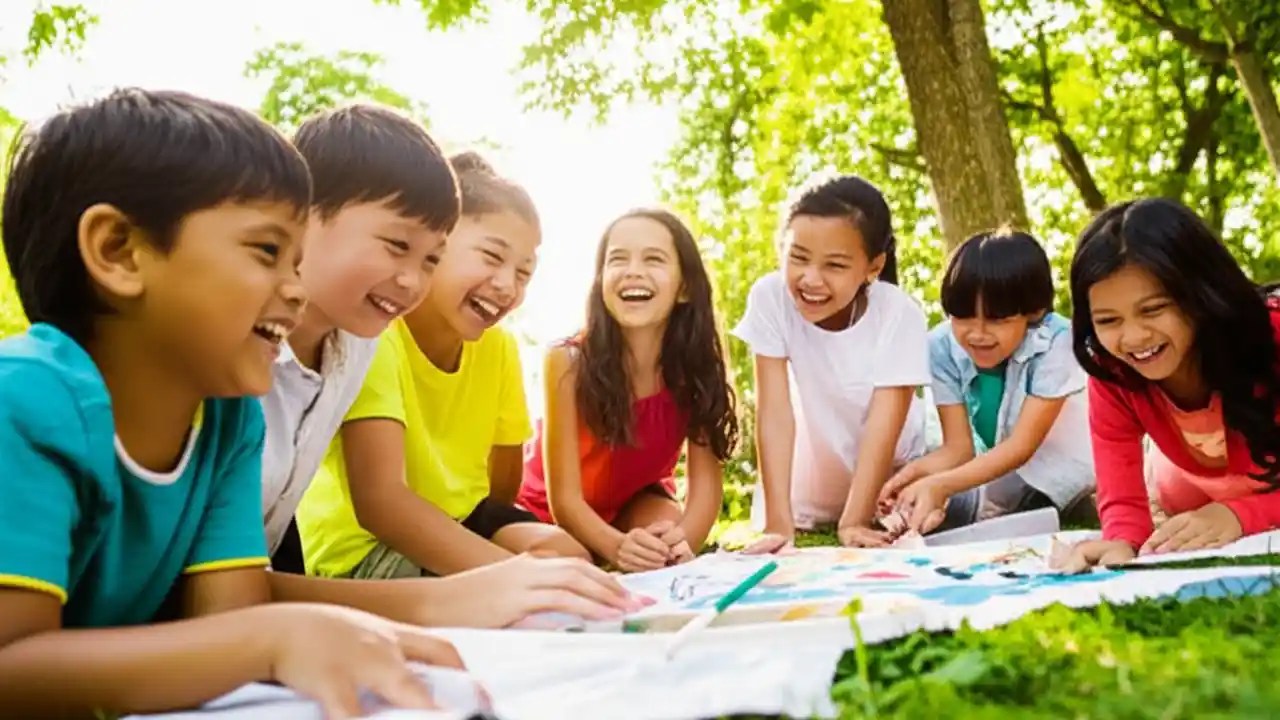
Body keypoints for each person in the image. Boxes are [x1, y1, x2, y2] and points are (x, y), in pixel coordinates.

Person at [0, 88, 461, 719]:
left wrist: (297, 637)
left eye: (299, 262)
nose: (296, 290)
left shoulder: (229, 420)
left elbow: (228, 620)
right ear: (118, 250)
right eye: (268, 252)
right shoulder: (26, 401)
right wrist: (272, 640)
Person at [261, 105, 637, 625]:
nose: (411, 279)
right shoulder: (352, 338)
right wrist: (496, 578)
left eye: (429, 260)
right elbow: (379, 503)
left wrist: (513, 571)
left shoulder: (353, 342)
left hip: (277, 569)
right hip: (353, 554)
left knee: (554, 564)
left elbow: (497, 487)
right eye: (398, 246)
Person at [297, 152, 589, 578]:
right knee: (510, 589)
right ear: (435, 247)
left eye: (524, 273)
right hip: (368, 546)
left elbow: (500, 488)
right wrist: (513, 576)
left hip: (462, 519)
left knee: (566, 554)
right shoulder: (376, 336)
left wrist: (513, 562)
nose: (507, 285)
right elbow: (381, 506)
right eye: (492, 257)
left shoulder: (499, 347)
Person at [1060, 198, 1280, 572]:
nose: (1133, 337)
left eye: (1153, 310)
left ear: (1202, 294)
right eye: (1108, 320)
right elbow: (1122, 495)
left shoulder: (1270, 338)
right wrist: (1122, 541)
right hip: (1190, 484)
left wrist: (1241, 514)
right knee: (1175, 495)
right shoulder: (1113, 371)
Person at [518, 208, 739, 571]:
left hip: (632, 504)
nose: (633, 271)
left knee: (665, 534)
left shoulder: (695, 370)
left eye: (653, 259)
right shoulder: (567, 361)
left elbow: (704, 492)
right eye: (618, 259)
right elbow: (565, 502)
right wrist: (616, 547)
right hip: (548, 512)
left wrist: (684, 543)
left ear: (685, 287)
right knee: (570, 558)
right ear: (601, 281)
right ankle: (598, 555)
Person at [732, 174, 931, 550]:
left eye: (835, 265)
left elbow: (884, 423)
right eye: (798, 258)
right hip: (816, 474)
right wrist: (778, 525)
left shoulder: (899, 313)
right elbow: (774, 413)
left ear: (873, 267)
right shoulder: (770, 297)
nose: (811, 279)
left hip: (891, 471)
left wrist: (855, 520)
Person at [878, 230, 1095, 533]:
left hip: (1063, 467)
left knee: (1007, 504)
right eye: (963, 317)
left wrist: (941, 484)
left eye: (997, 320)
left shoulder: (1056, 343)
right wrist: (912, 475)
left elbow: (1021, 448)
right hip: (1001, 472)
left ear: (1034, 311)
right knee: (926, 493)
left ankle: (1082, 502)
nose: (977, 334)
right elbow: (958, 449)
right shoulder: (941, 346)